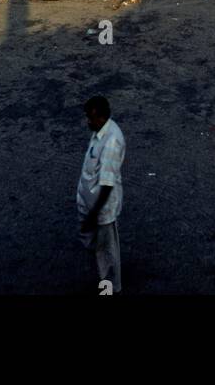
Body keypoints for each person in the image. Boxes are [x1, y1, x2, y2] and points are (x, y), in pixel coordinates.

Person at [77, 94, 125, 294]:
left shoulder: (111, 142)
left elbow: (106, 184)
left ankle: (110, 288)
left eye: (91, 117)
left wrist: (93, 214)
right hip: (94, 207)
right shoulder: (101, 132)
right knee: (100, 248)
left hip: (102, 210)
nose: (88, 122)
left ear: (101, 117)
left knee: (107, 252)